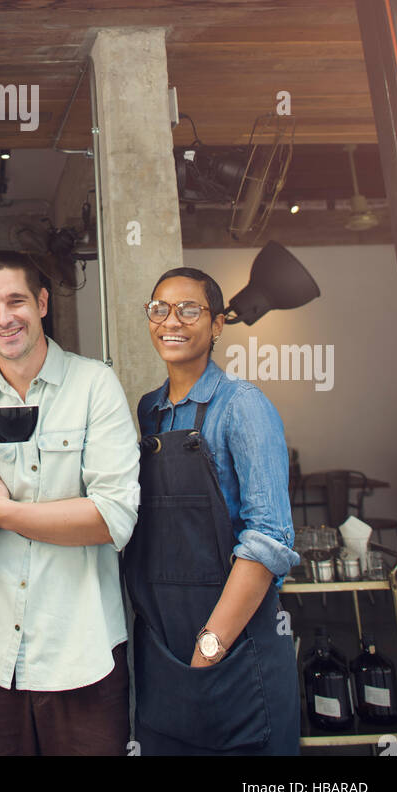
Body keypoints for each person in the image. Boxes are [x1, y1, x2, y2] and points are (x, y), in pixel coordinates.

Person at [0, 251, 139, 756]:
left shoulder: (95, 386)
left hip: (84, 651)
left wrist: (2, 512)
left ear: (43, 302)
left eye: (15, 300)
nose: (3, 318)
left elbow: (112, 519)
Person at [123, 266, 301, 756]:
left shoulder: (243, 406)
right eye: (158, 309)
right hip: (161, 650)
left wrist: (211, 645)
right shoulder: (147, 411)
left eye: (189, 309)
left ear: (218, 324)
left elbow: (268, 540)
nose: (170, 321)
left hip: (234, 649)